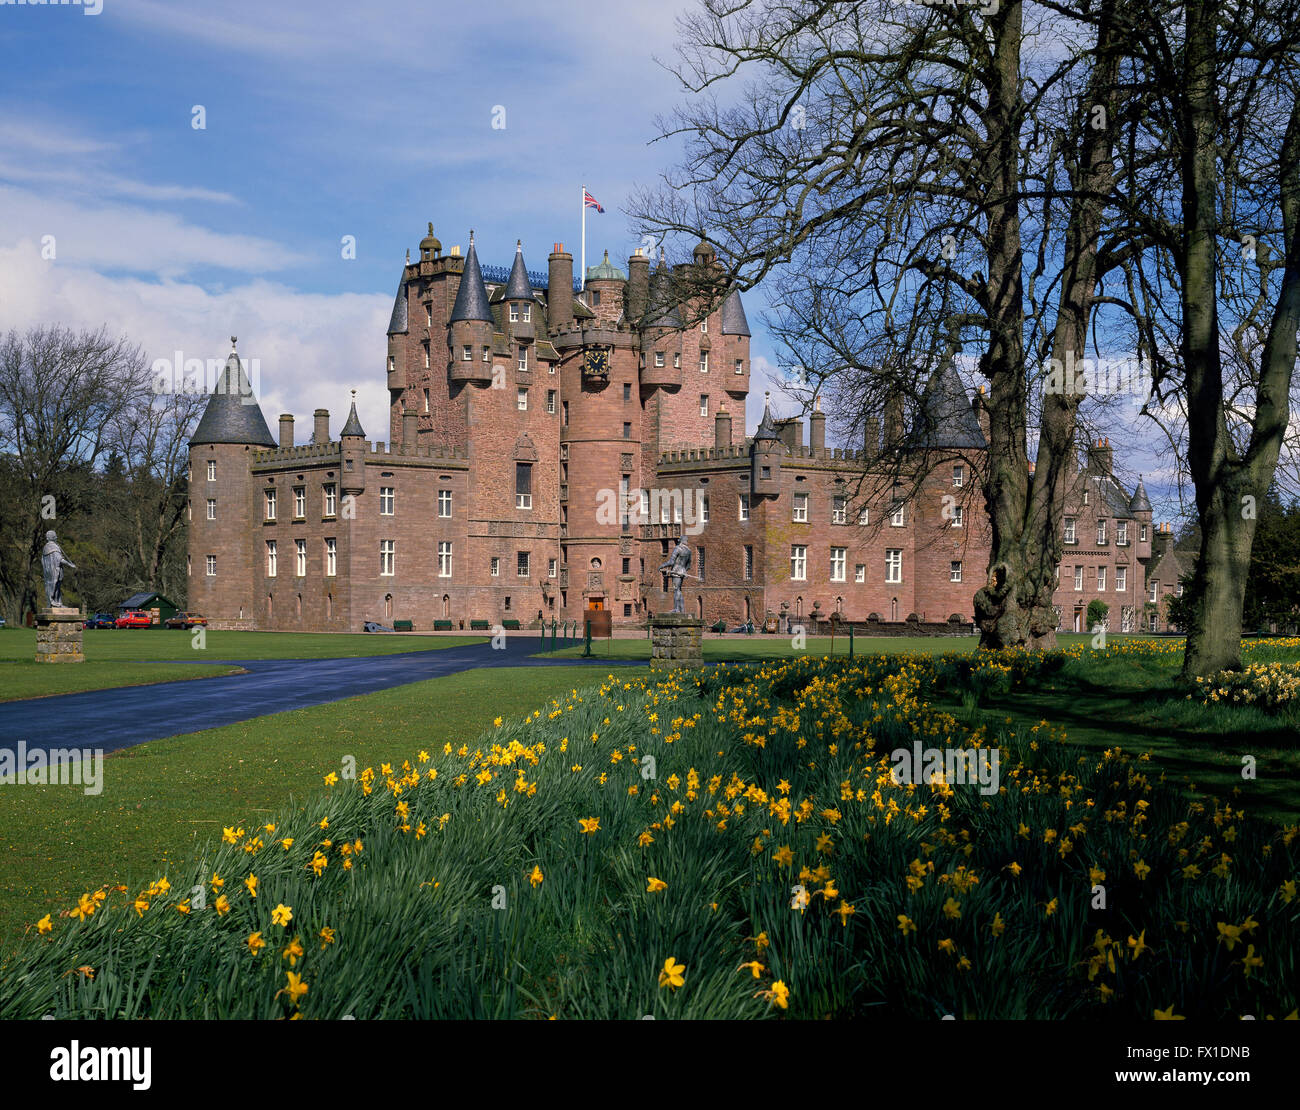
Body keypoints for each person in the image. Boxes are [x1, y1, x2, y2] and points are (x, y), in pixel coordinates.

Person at [41, 530, 76, 609]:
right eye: (55, 536)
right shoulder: (53, 547)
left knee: (54, 586)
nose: (56, 537)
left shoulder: (46, 547)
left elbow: (43, 561)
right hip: (55, 571)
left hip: (49, 572)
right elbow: (59, 559)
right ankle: (55, 603)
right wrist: (70, 564)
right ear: (53, 537)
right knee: (56, 586)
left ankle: (56, 602)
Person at [658, 536, 691, 615]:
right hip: (682, 572)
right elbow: (689, 565)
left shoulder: (677, 548)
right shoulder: (688, 550)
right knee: (679, 590)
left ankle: (676, 609)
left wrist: (662, 566)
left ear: (680, 541)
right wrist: (684, 571)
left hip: (676, 571)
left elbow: (671, 562)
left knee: (676, 590)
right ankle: (682, 610)